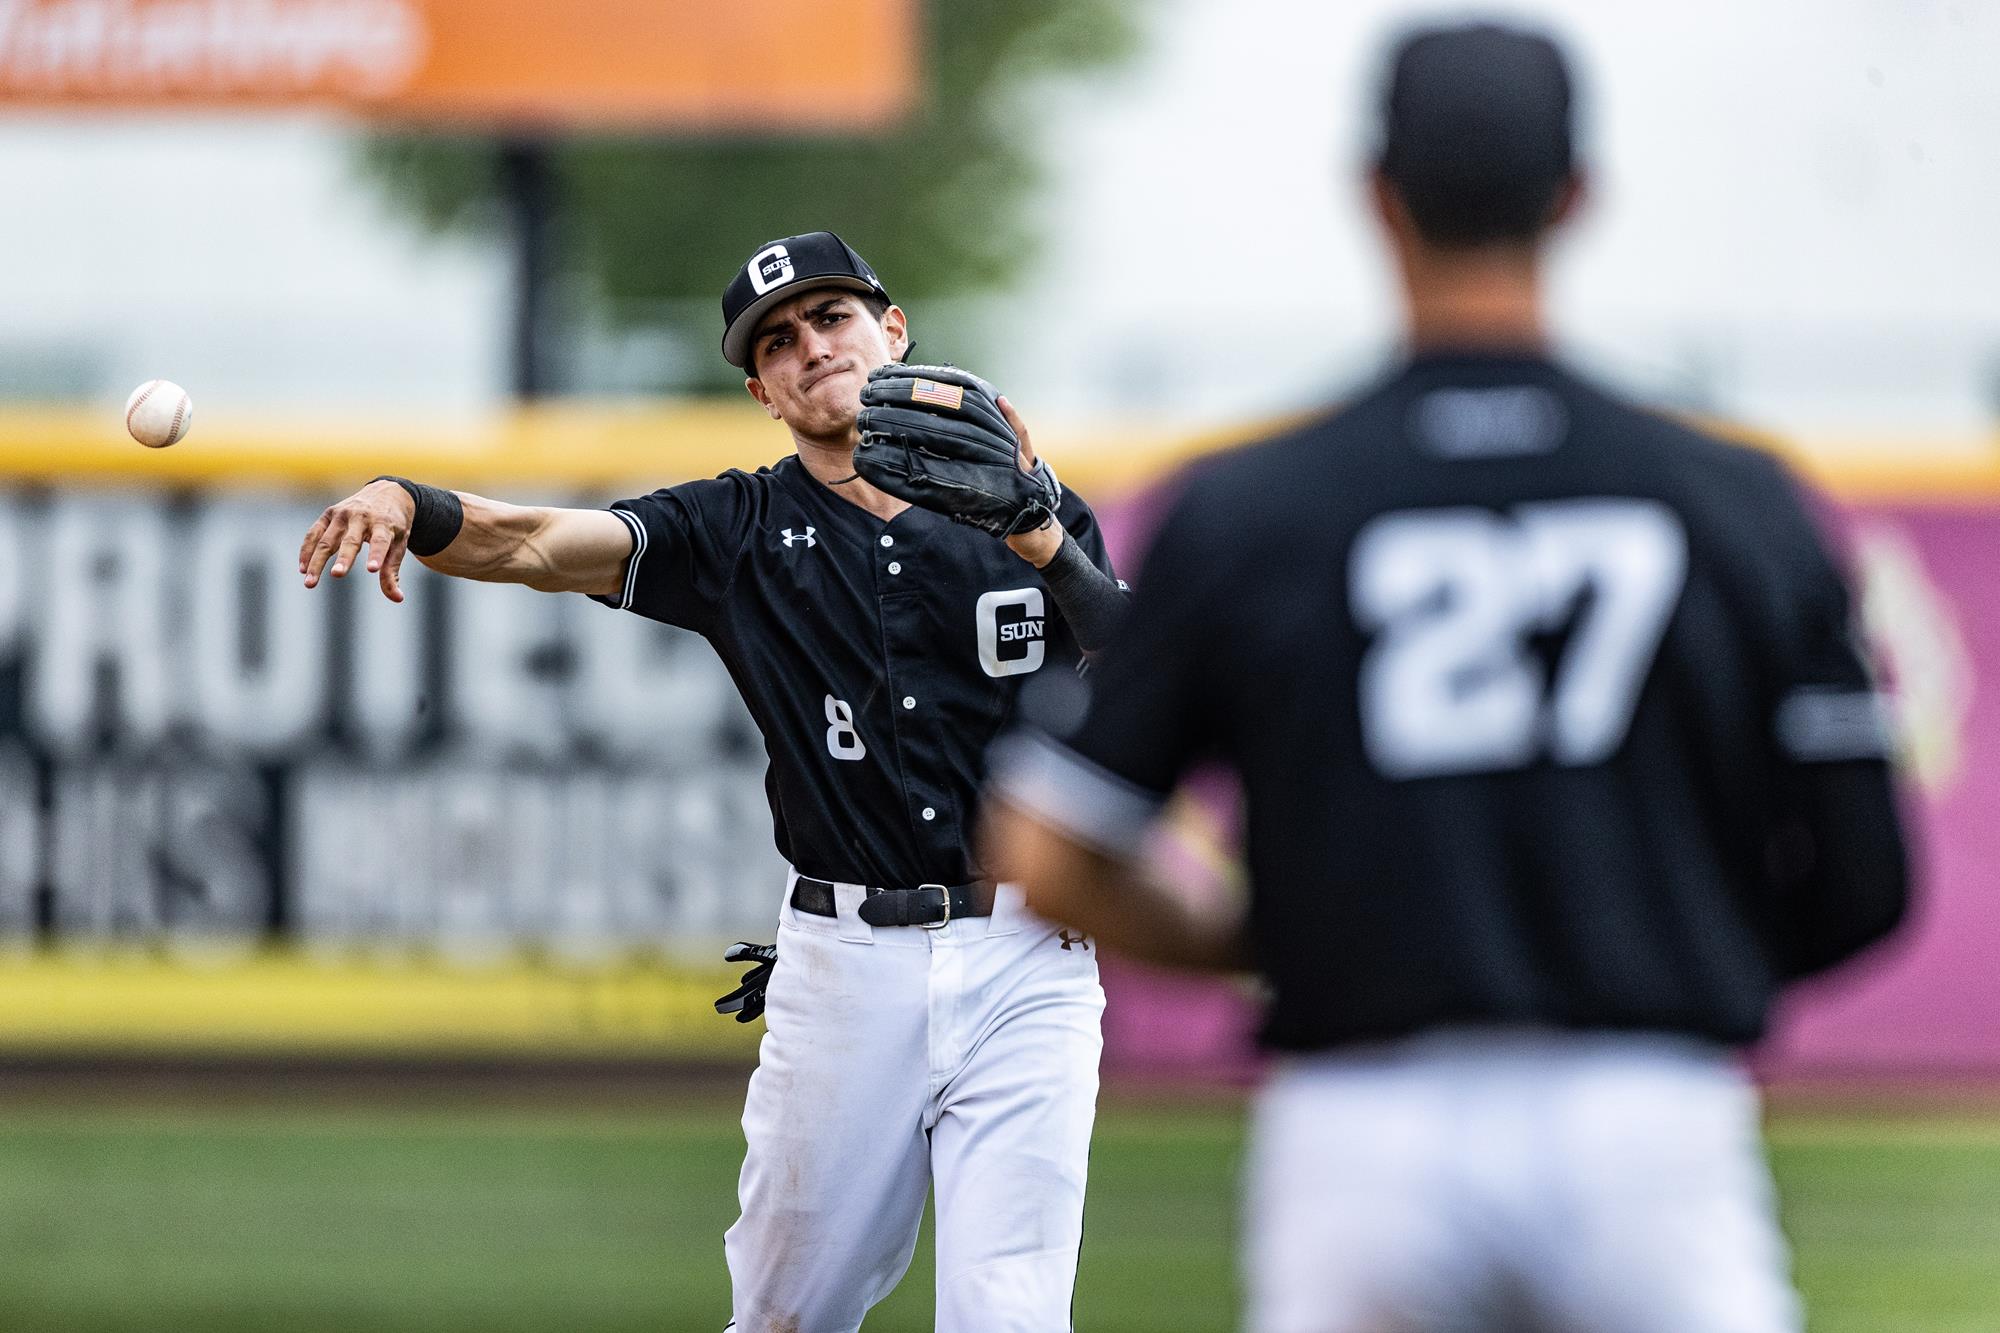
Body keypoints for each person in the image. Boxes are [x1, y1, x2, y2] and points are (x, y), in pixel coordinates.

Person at [984, 23, 1910, 1333]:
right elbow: (1867, 882)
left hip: (1365, 1123)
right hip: (1651, 1112)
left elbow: (1048, 847)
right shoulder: (1735, 501)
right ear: (1578, 195)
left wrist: (1262, 941)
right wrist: (1669, 943)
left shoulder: (1253, 506)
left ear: (1377, 193)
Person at [299, 230, 1127, 1332]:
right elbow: (541, 541)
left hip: (1032, 957)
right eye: (777, 342)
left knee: (1010, 1311)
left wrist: (1042, 539)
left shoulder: (1017, 500)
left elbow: (1138, 679)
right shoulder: (736, 526)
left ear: (891, 329)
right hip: (845, 960)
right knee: (789, 1312)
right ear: (760, 391)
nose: (810, 348)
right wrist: (409, 498)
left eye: (831, 318)